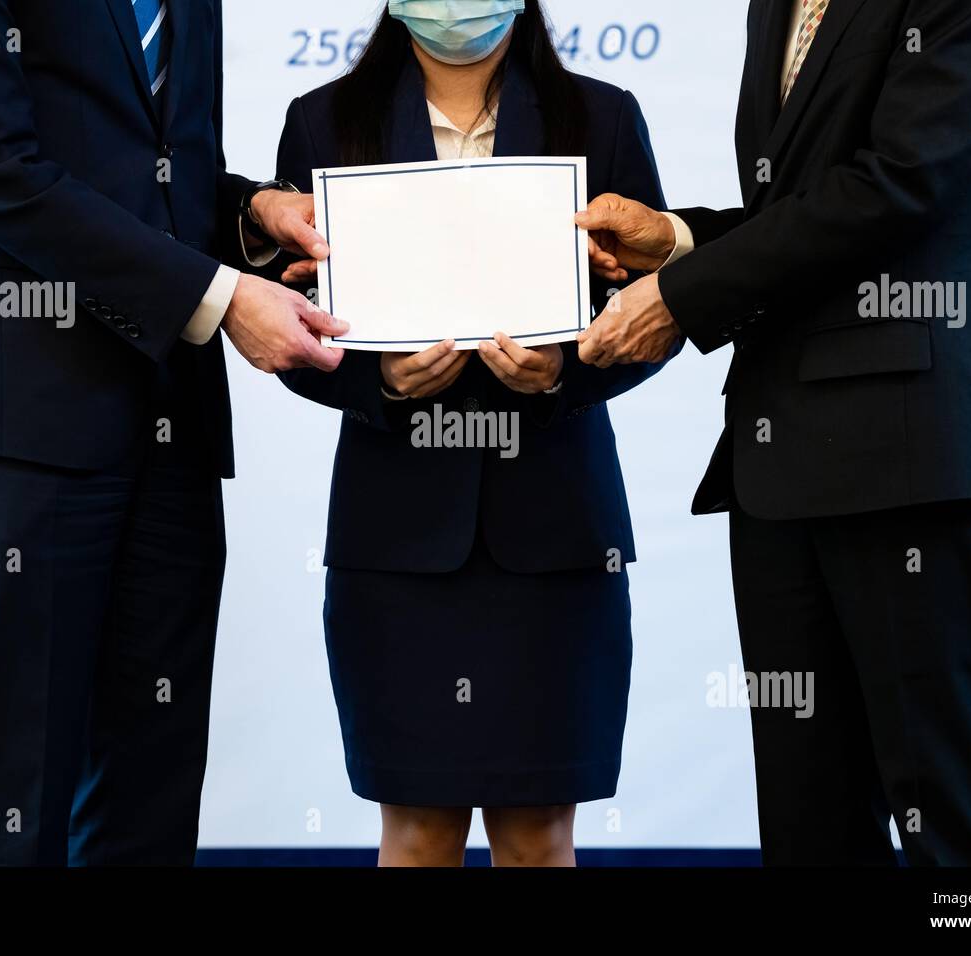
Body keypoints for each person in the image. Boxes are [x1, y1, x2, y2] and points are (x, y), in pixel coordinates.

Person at [575, 0, 971, 865]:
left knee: (957, 833)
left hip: (914, 462)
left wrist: (685, 295)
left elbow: (898, 185)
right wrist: (677, 241)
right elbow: (799, 204)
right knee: (807, 832)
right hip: (779, 465)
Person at [0, 0, 345, 865]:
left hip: (171, 411)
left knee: (151, 798)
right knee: (19, 798)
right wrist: (219, 298)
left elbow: (148, 168)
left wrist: (248, 214)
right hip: (23, 414)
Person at [276, 0, 675, 867]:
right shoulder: (323, 122)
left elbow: (658, 318)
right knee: (416, 831)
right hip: (399, 539)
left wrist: (567, 372)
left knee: (539, 834)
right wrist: (375, 381)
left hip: (556, 535)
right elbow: (292, 328)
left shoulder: (602, 117)